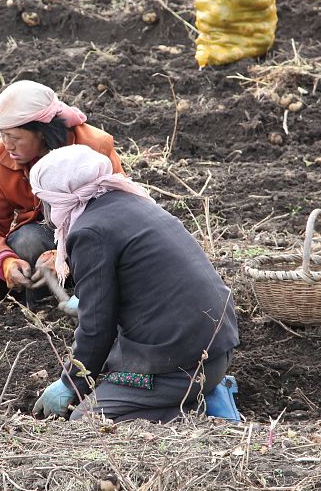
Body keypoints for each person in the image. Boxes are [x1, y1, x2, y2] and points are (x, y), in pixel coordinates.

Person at [27, 145, 239, 423]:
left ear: (59, 197)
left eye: (45, 200)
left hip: (181, 366)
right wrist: (88, 300)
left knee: (85, 420)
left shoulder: (89, 231)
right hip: (215, 349)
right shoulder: (130, 201)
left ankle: (197, 407)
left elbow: (97, 328)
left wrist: (70, 383)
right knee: (111, 366)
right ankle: (202, 391)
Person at [0, 80, 122, 299]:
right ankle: (41, 311)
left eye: (14, 137)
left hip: (92, 240)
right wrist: (4, 262)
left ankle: (90, 298)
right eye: (2, 134)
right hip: (44, 242)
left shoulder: (94, 147)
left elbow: (118, 217)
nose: (7, 145)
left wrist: (65, 256)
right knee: (26, 241)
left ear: (41, 131)